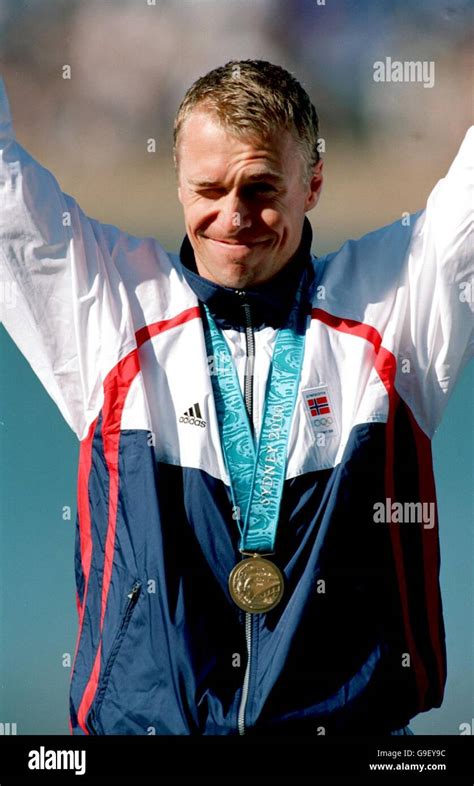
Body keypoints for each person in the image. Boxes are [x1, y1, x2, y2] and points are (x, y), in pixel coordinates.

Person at [0, 60, 472, 737]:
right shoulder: (111, 311)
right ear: (179, 186)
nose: (235, 216)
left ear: (313, 182)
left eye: (260, 187)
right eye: (209, 189)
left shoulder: (393, 310)